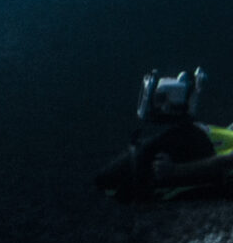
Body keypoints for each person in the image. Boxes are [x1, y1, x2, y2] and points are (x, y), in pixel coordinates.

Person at [96, 69, 233, 201]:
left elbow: (226, 161)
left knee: (118, 177)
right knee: (119, 174)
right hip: (203, 142)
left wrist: (174, 171)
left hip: (204, 155)